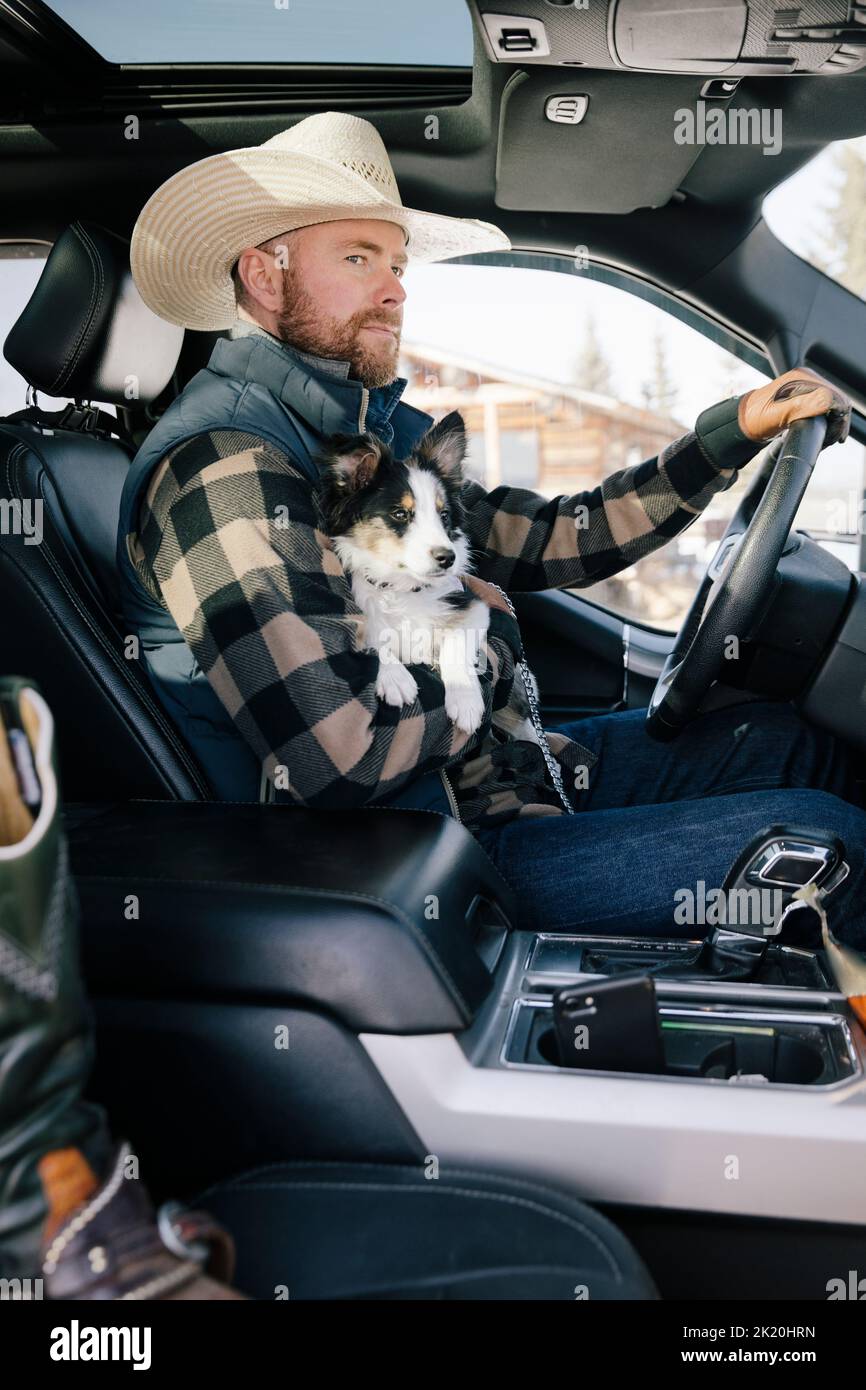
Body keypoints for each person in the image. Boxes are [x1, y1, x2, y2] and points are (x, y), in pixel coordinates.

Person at [120, 110, 866, 948]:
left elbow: (554, 536)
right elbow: (341, 756)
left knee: (782, 744)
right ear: (263, 275)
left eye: (397, 264)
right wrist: (487, 651)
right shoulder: (227, 470)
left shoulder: (375, 441)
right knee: (838, 844)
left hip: (486, 788)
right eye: (359, 258)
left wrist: (723, 441)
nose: (396, 288)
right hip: (424, 863)